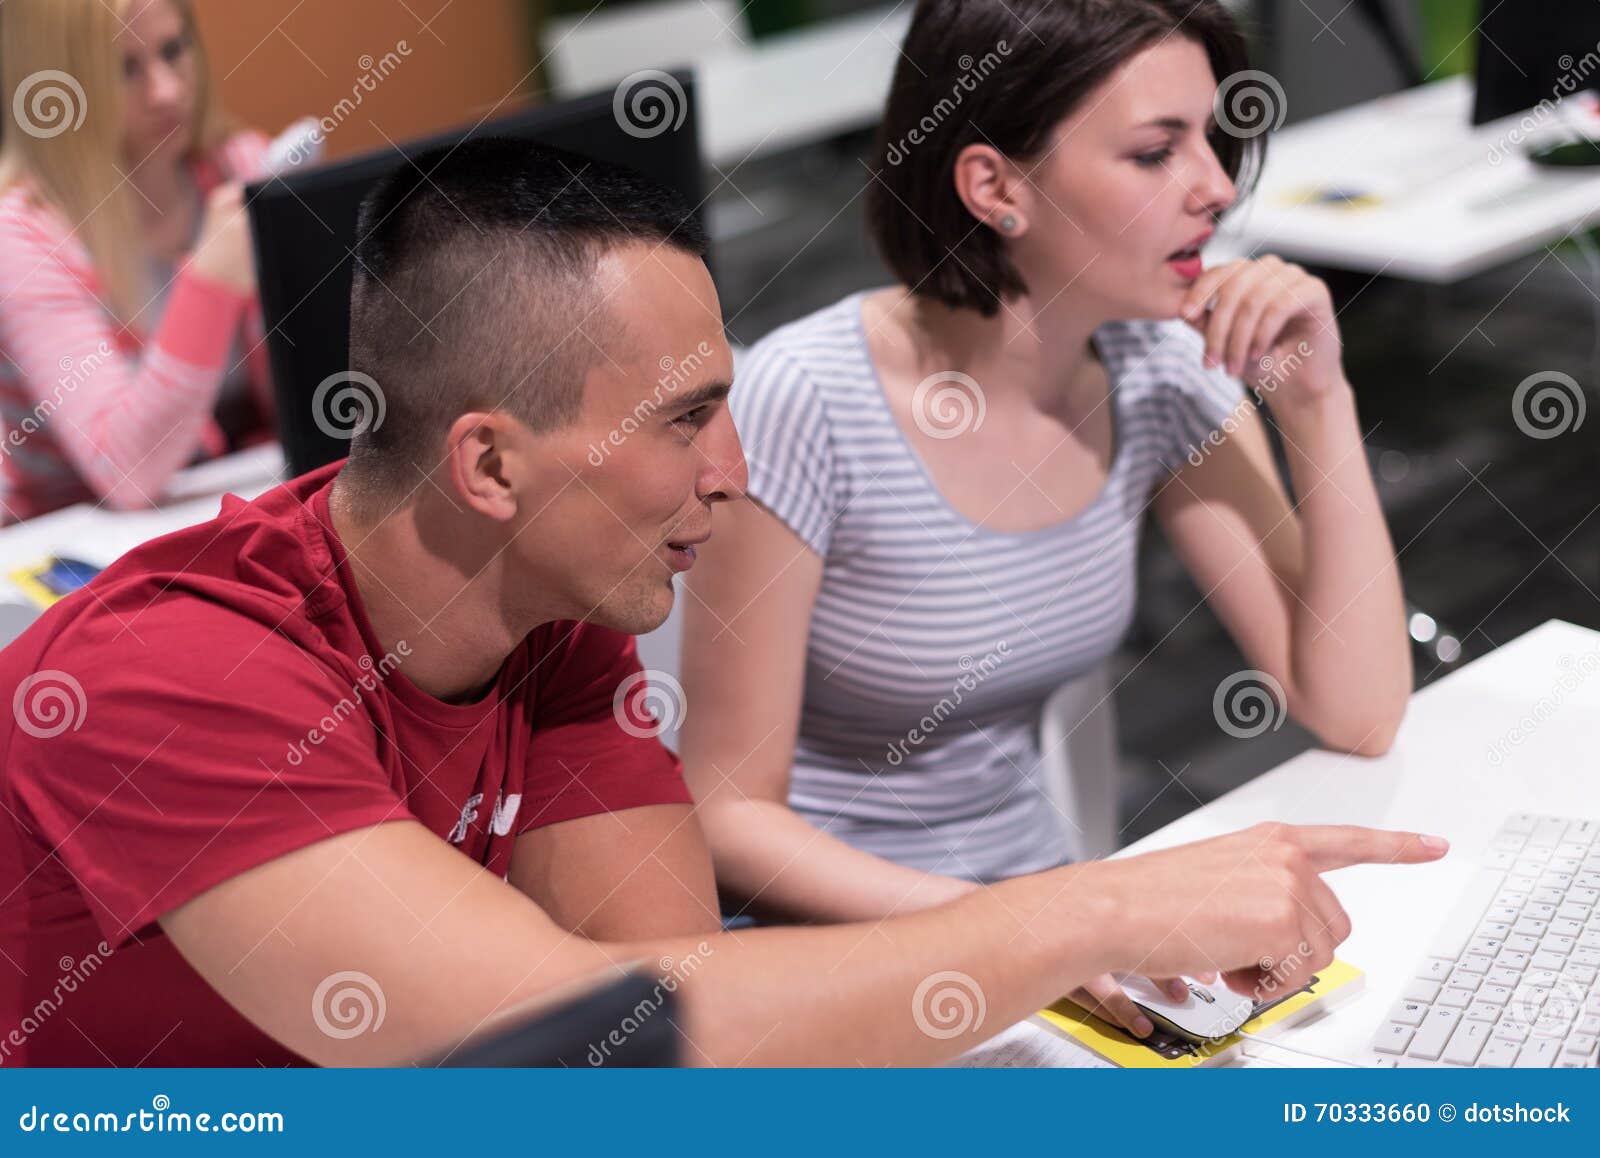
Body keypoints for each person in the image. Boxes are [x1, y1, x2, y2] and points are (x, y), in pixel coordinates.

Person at [0, 138, 1446, 1067]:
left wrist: (1078, 923)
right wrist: (1092, 911)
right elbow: (561, 1041)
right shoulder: (171, 671)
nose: (737, 474)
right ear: (488, 464)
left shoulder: (557, 606)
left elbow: (664, 1027)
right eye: (688, 419)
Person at [676, 0, 1411, 1039]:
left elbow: (1357, 709)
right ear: (994, 186)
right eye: (1155, 152)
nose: (1215, 186)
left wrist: (1317, 403)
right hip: (847, 950)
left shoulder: (1161, 368)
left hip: (1059, 925)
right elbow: (725, 812)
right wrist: (1036, 928)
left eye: (1212, 140)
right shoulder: (808, 398)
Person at [0, 0, 271, 522]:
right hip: (67, 540)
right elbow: (129, 473)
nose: (165, 91)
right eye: (124, 69)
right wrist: (210, 285)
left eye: (173, 50)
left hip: (218, 501)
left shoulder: (242, 167)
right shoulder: (20, 235)